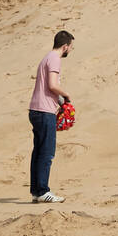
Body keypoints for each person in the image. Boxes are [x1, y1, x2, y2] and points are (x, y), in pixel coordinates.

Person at [28, 31, 74, 203]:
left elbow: (47, 88)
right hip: (44, 111)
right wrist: (67, 95)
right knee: (47, 153)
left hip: (36, 110)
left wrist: (61, 101)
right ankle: (43, 191)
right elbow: (53, 85)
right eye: (70, 47)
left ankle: (36, 191)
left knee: (38, 152)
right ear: (65, 46)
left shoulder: (46, 58)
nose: (70, 50)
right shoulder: (55, 59)